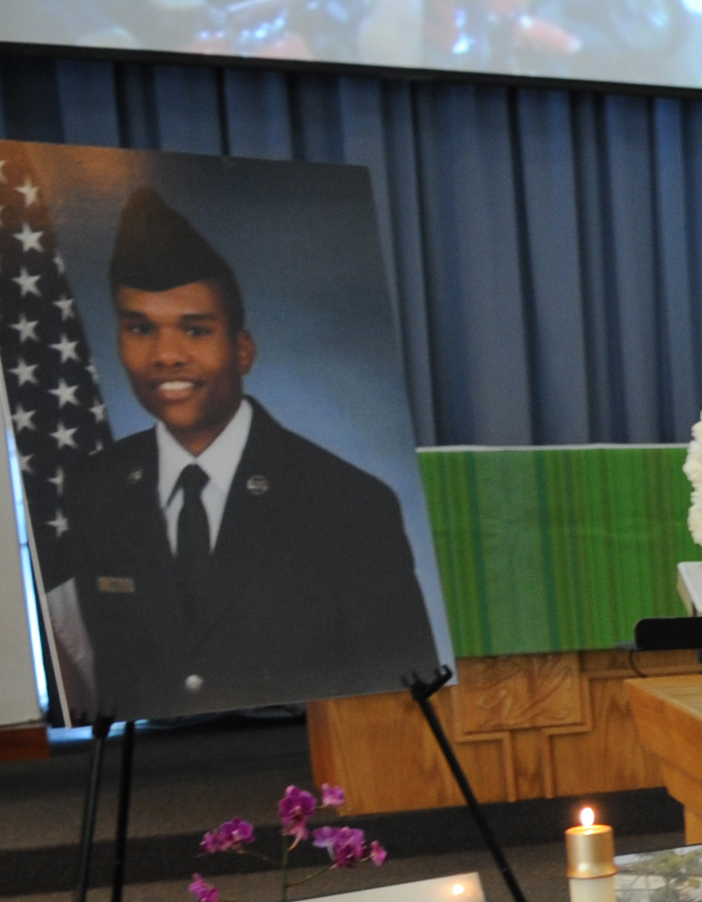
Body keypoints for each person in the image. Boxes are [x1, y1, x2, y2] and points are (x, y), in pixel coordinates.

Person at [55, 186, 440, 721]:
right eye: (140, 328)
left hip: (296, 768)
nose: (165, 356)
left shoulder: (347, 504)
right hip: (153, 778)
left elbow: (399, 686)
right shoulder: (94, 489)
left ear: (243, 350)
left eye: (194, 329)